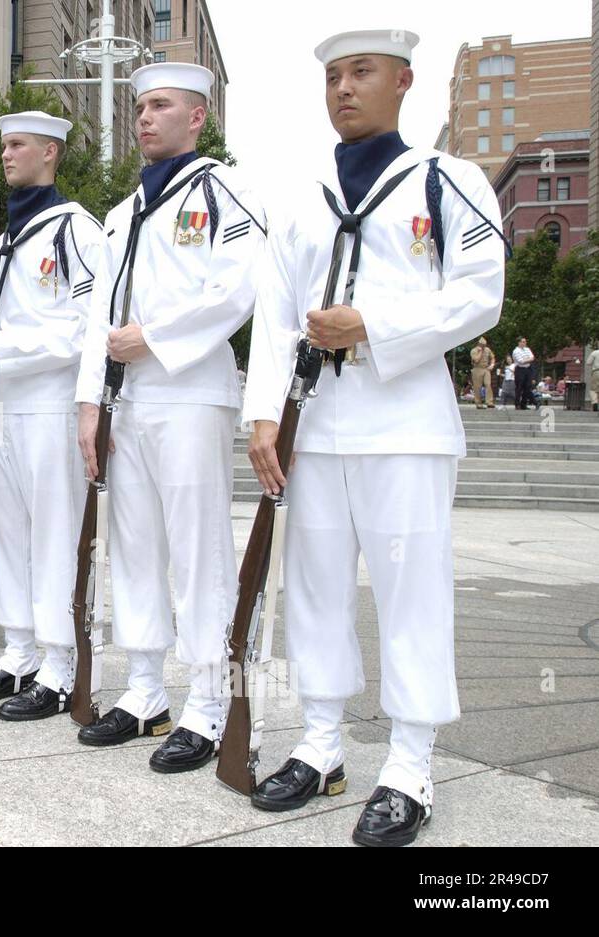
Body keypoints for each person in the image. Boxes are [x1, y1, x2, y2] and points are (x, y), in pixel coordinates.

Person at [244, 28, 505, 846]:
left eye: (362, 73)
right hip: (315, 426)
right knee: (315, 591)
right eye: (333, 76)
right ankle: (321, 743)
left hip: (406, 424)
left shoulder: (448, 181)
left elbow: (480, 294)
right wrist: (262, 414)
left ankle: (409, 763)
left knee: (411, 597)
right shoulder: (301, 194)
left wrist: (374, 323)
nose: (344, 88)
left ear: (404, 82)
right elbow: (276, 312)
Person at [74, 62, 267, 766]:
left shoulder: (224, 189)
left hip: (189, 391)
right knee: (135, 549)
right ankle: (146, 690)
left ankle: (210, 701)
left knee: (196, 551)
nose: (145, 118)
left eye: (161, 106)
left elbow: (240, 286)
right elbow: (99, 315)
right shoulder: (123, 212)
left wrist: (154, 336)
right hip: (128, 399)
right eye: (140, 107)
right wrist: (88, 402)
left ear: (198, 118)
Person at [0, 111, 107, 720]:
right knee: (10, 535)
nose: (7, 155)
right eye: (4, 146)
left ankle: (60, 664)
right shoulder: (1, 242)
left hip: (49, 405)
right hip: (3, 407)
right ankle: (18, 652)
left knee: (55, 534)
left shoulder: (76, 231)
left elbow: (87, 328)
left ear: (50, 153)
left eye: (18, 146)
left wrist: (9, 349)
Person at [469, 336, 494, 408]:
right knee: (477, 386)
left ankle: (489, 402)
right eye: (482, 345)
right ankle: (478, 403)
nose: (484, 346)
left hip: (486, 368)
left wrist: (492, 364)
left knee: (488, 384)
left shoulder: (488, 350)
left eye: (485, 345)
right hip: (477, 368)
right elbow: (476, 360)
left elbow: (492, 357)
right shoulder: (474, 351)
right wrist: (480, 352)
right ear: (479, 344)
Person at [512, 337, 534, 410]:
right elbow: (520, 361)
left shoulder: (527, 349)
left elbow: (532, 357)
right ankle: (517, 404)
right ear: (519, 342)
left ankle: (523, 404)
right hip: (520, 369)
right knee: (519, 387)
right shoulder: (516, 351)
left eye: (525, 342)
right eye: (523, 342)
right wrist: (528, 359)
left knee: (528, 387)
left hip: (528, 369)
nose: (525, 343)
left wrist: (527, 360)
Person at [588, 346, 599, 412]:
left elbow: (588, 363)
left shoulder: (595, 352)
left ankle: (595, 402)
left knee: (593, 389)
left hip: (597, 372)